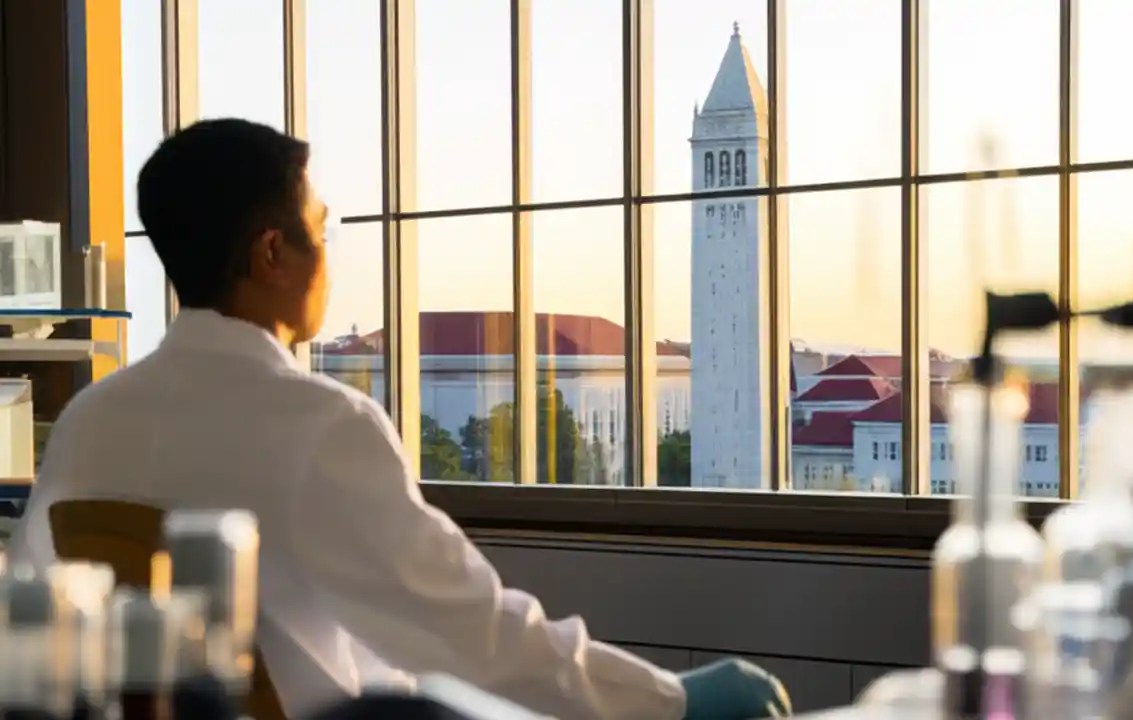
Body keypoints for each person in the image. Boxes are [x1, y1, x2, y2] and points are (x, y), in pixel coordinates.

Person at [7, 119, 790, 720]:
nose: (329, 253)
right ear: (273, 252)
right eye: (322, 228)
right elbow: (472, 634)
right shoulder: (318, 425)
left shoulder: (88, 419)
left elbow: (37, 626)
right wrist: (672, 700)